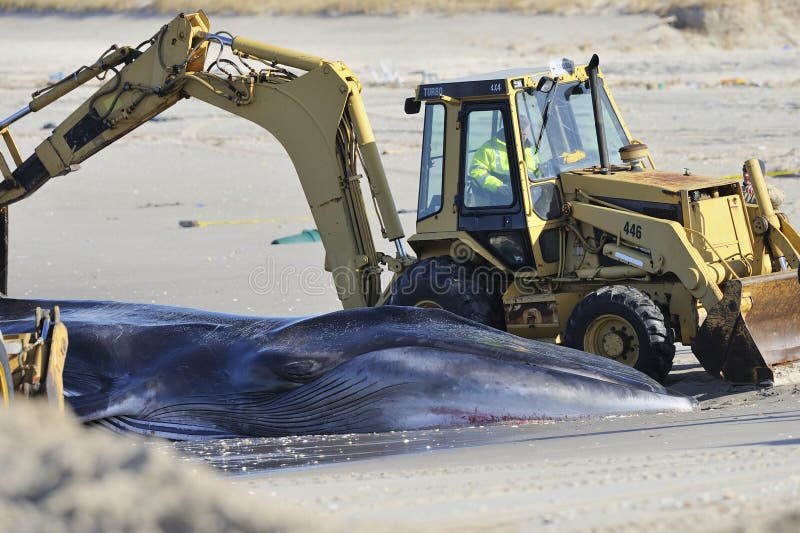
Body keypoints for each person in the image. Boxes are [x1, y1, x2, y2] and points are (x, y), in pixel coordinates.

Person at [468, 115, 541, 205]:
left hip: (529, 199)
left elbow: (538, 172)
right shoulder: (489, 148)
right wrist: (498, 186)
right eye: (523, 134)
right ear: (514, 130)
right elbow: (476, 171)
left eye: (526, 134)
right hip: (497, 200)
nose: (525, 137)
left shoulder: (531, 150)